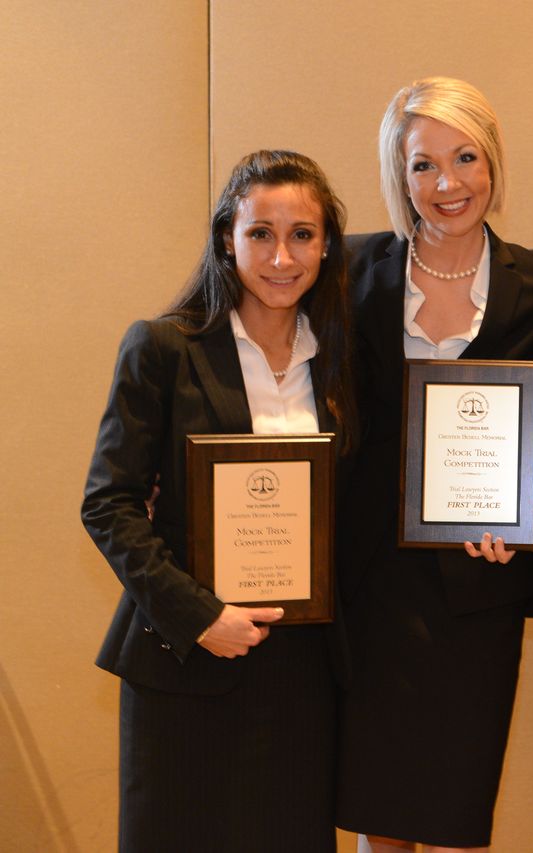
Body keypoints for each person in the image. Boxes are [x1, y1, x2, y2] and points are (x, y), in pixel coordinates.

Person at [82, 149, 357, 852]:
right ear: (225, 240)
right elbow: (109, 503)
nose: (281, 255)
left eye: (302, 233)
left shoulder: (342, 359)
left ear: (327, 244)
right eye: (259, 232)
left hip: (302, 674)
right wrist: (200, 615)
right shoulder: (164, 347)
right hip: (185, 661)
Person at [334, 76, 533, 853]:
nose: (448, 183)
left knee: (460, 809)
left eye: (465, 157)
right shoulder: (350, 271)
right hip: (371, 582)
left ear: (493, 162)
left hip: (479, 581)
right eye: (423, 165)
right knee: (379, 809)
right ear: (398, 177)